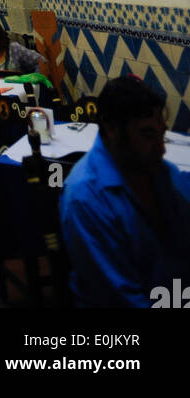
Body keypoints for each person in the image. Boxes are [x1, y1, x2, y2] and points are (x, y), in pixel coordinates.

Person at [60, 76, 190, 308]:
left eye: (162, 134)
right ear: (111, 129)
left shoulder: (156, 170)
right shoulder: (86, 198)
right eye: (148, 135)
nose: (161, 148)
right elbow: (120, 299)